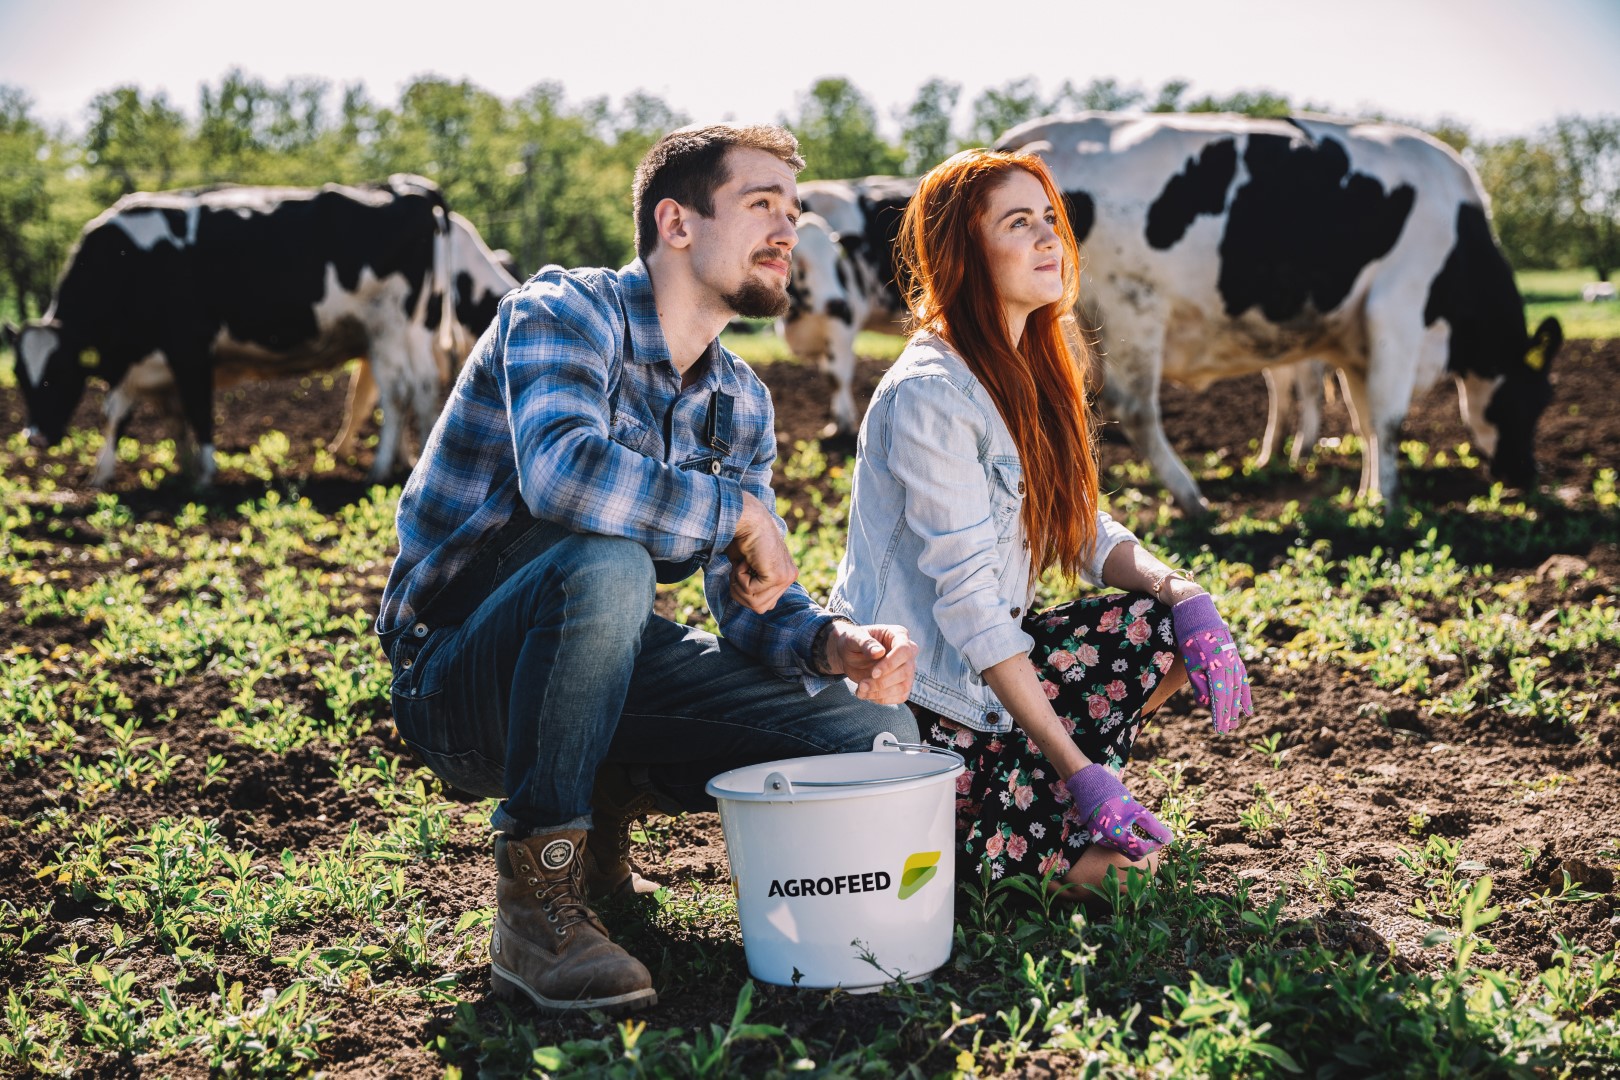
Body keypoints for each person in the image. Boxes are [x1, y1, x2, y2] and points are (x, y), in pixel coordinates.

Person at [376, 124, 920, 1017]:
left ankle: (601, 808)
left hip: (597, 658)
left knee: (866, 727)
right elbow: (562, 473)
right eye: (760, 206)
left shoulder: (739, 398)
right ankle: (535, 904)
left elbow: (744, 607)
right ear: (675, 221)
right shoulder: (559, 313)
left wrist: (831, 642)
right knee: (605, 559)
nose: (790, 230)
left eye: (793, 210)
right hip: (454, 684)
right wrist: (738, 511)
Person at [828, 149, 1251, 900]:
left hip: (986, 686)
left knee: (1165, 627)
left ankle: (1032, 804)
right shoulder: (931, 394)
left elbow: (1078, 523)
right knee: (1127, 876)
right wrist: (1080, 771)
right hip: (922, 705)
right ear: (962, 251)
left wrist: (1184, 593)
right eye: (1019, 224)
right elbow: (971, 608)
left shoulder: (1024, 367)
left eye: (1050, 220)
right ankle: (980, 831)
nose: (1049, 240)